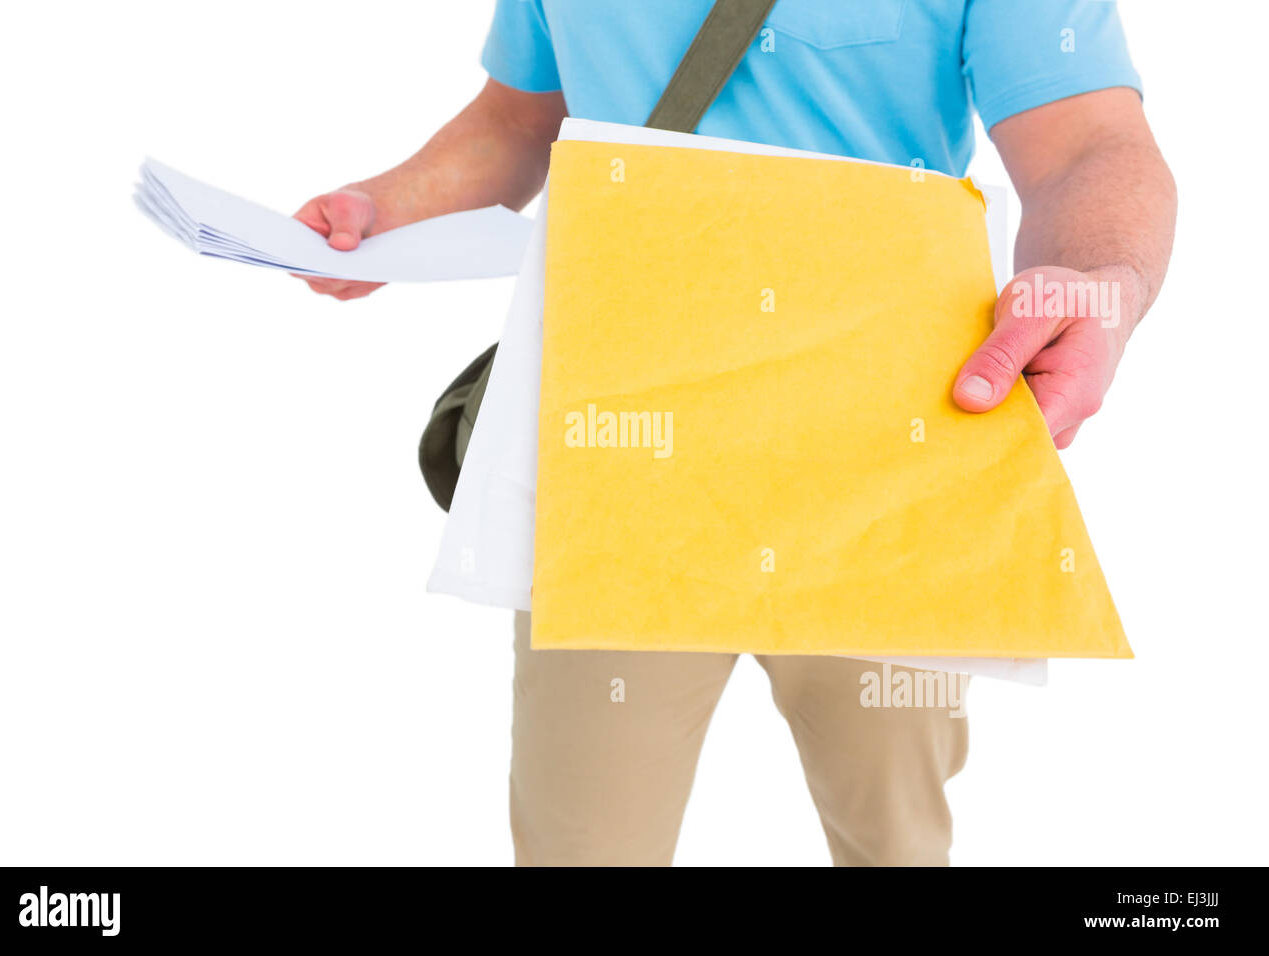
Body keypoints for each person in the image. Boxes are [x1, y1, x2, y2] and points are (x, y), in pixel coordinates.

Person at [292, 0, 1176, 866]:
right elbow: (519, 121)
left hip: (892, 464)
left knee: (896, 844)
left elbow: (1086, 141)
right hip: (619, 458)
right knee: (582, 847)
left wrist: (1101, 283)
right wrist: (384, 204)